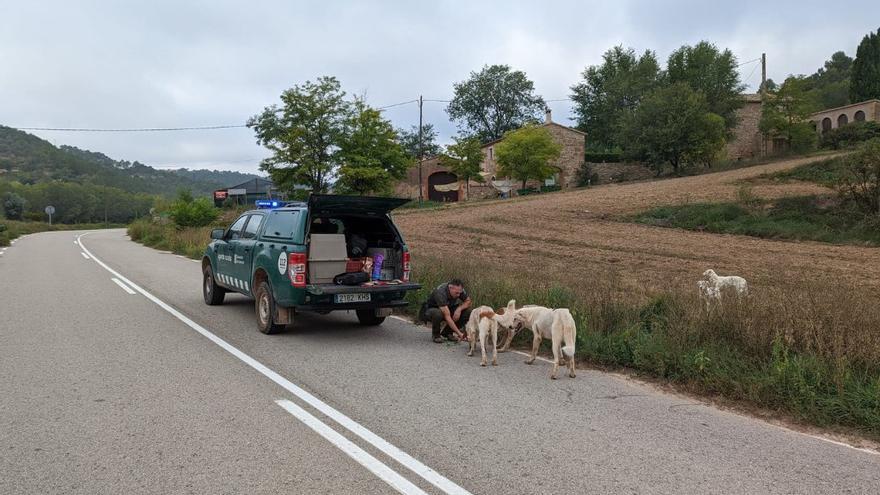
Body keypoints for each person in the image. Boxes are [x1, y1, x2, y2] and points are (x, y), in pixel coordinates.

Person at [421, 279, 472, 343]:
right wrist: (460, 334)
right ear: (450, 287)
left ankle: (447, 333)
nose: (459, 295)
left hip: (448, 307)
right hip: (431, 309)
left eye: (460, 293)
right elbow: (447, 316)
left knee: (467, 312)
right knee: (438, 313)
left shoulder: (458, 289)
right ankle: (436, 335)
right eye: (456, 293)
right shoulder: (440, 292)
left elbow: (468, 301)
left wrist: (459, 309)